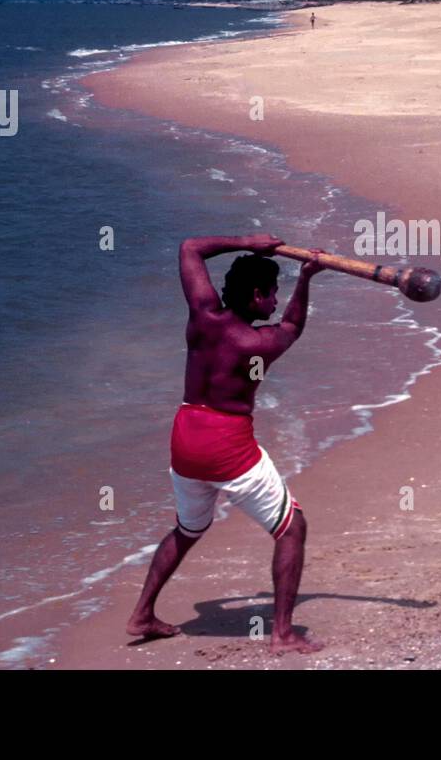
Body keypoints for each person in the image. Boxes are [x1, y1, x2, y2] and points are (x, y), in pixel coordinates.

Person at [126, 234, 327, 653]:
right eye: (272, 294)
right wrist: (307, 278)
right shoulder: (256, 344)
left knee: (187, 528)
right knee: (291, 528)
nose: (275, 301)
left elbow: (189, 248)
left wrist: (246, 242)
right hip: (225, 443)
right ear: (256, 295)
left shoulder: (202, 315)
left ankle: (142, 613)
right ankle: (283, 634)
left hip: (184, 436)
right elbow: (292, 326)